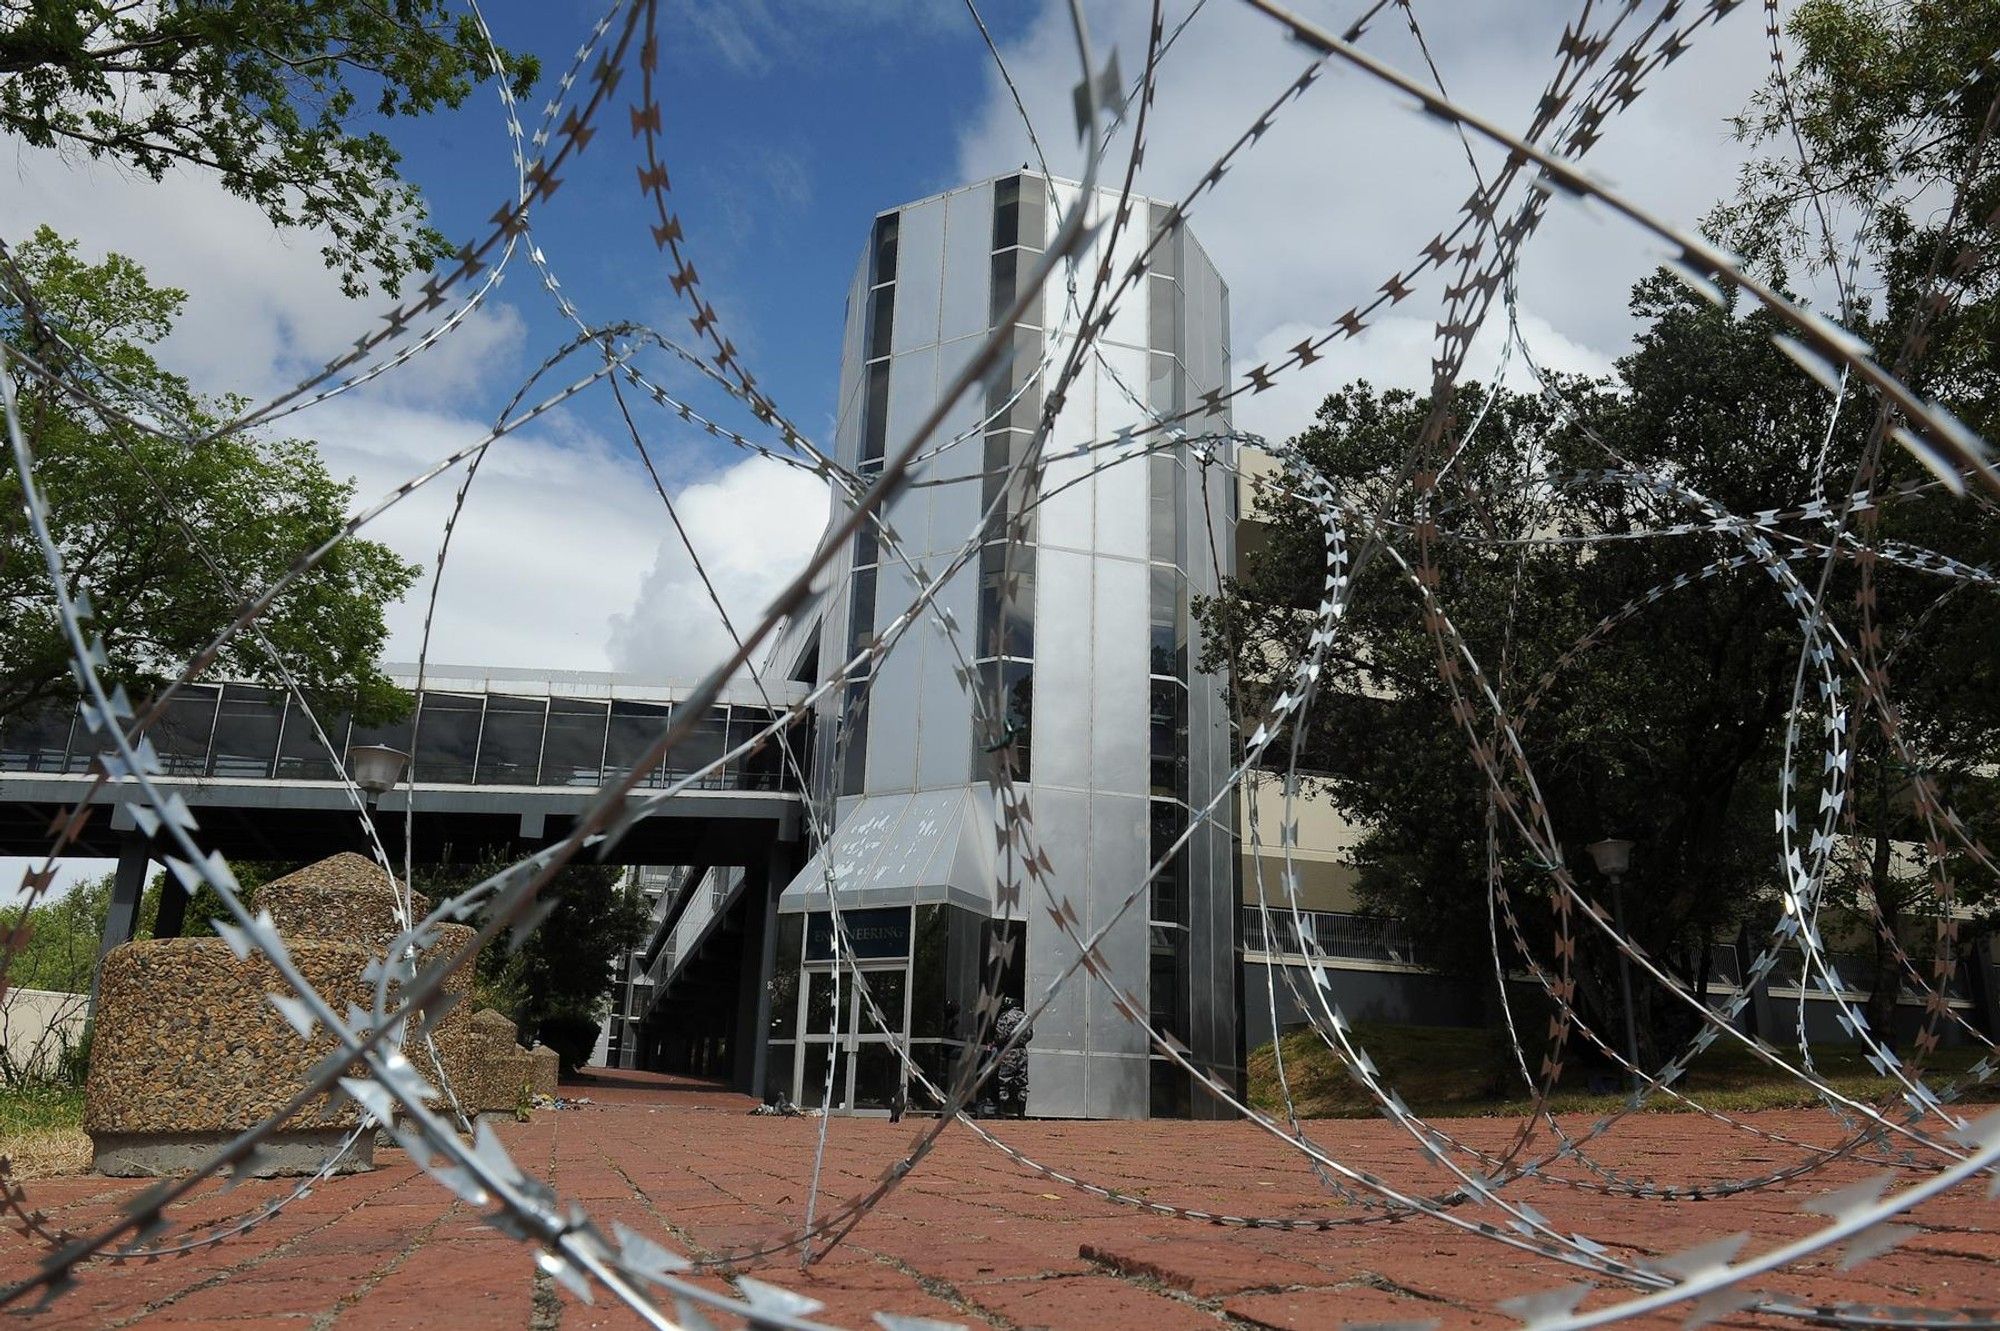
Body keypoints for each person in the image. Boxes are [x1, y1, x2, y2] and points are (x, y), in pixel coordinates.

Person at [993, 1000, 1031, 1118]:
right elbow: (1030, 1034)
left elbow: (1000, 1035)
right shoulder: (1026, 1016)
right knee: (1022, 1082)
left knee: (1004, 1081)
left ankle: (1003, 1112)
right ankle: (1021, 1114)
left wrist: (997, 1042)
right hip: (1022, 1051)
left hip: (1009, 1051)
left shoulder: (1005, 1016)